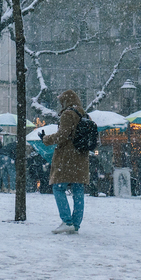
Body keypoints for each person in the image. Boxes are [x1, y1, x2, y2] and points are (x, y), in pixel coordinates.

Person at [41, 90, 90, 234]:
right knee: (78, 190)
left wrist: (46, 139)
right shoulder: (85, 115)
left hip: (67, 158)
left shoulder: (68, 114)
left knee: (58, 187)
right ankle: (75, 224)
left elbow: (62, 135)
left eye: (61, 101)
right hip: (81, 157)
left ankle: (67, 221)